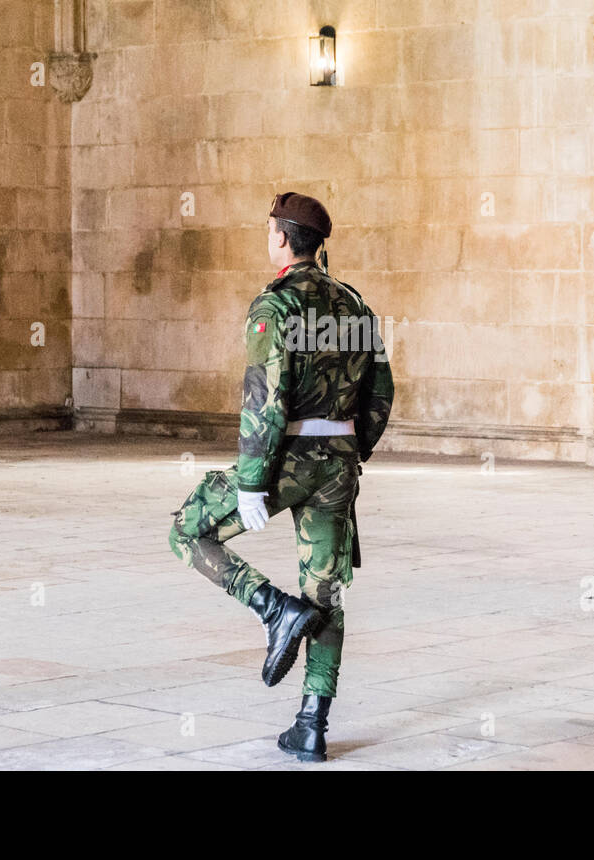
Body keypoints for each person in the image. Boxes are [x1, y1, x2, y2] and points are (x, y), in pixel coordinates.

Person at [167, 192, 394, 761]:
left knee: (187, 531)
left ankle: (271, 608)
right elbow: (381, 392)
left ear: (282, 239)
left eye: (269, 228)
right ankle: (312, 724)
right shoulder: (355, 307)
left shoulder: (276, 307)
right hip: (337, 462)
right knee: (326, 591)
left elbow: (264, 400)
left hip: (284, 460)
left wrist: (251, 483)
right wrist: (349, 449)